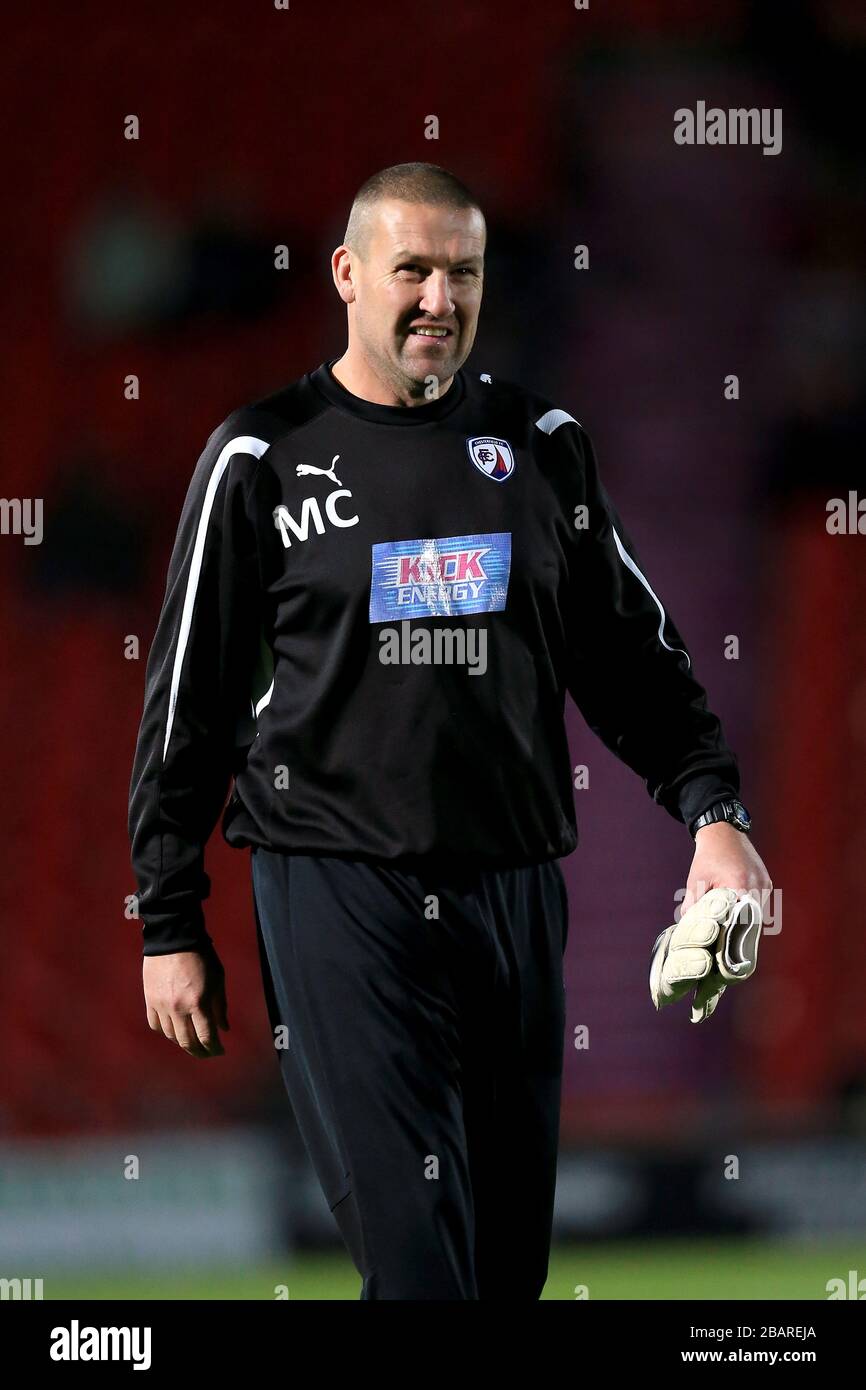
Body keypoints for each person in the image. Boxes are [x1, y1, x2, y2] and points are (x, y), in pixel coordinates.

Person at [128, 161, 772, 1300]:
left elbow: (631, 659)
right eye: (411, 270)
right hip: (336, 890)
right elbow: (190, 702)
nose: (438, 299)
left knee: (501, 1273)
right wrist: (168, 914)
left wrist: (712, 814)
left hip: (513, 891)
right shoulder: (258, 458)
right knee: (422, 1271)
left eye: (461, 273)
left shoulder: (539, 445)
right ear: (346, 275)